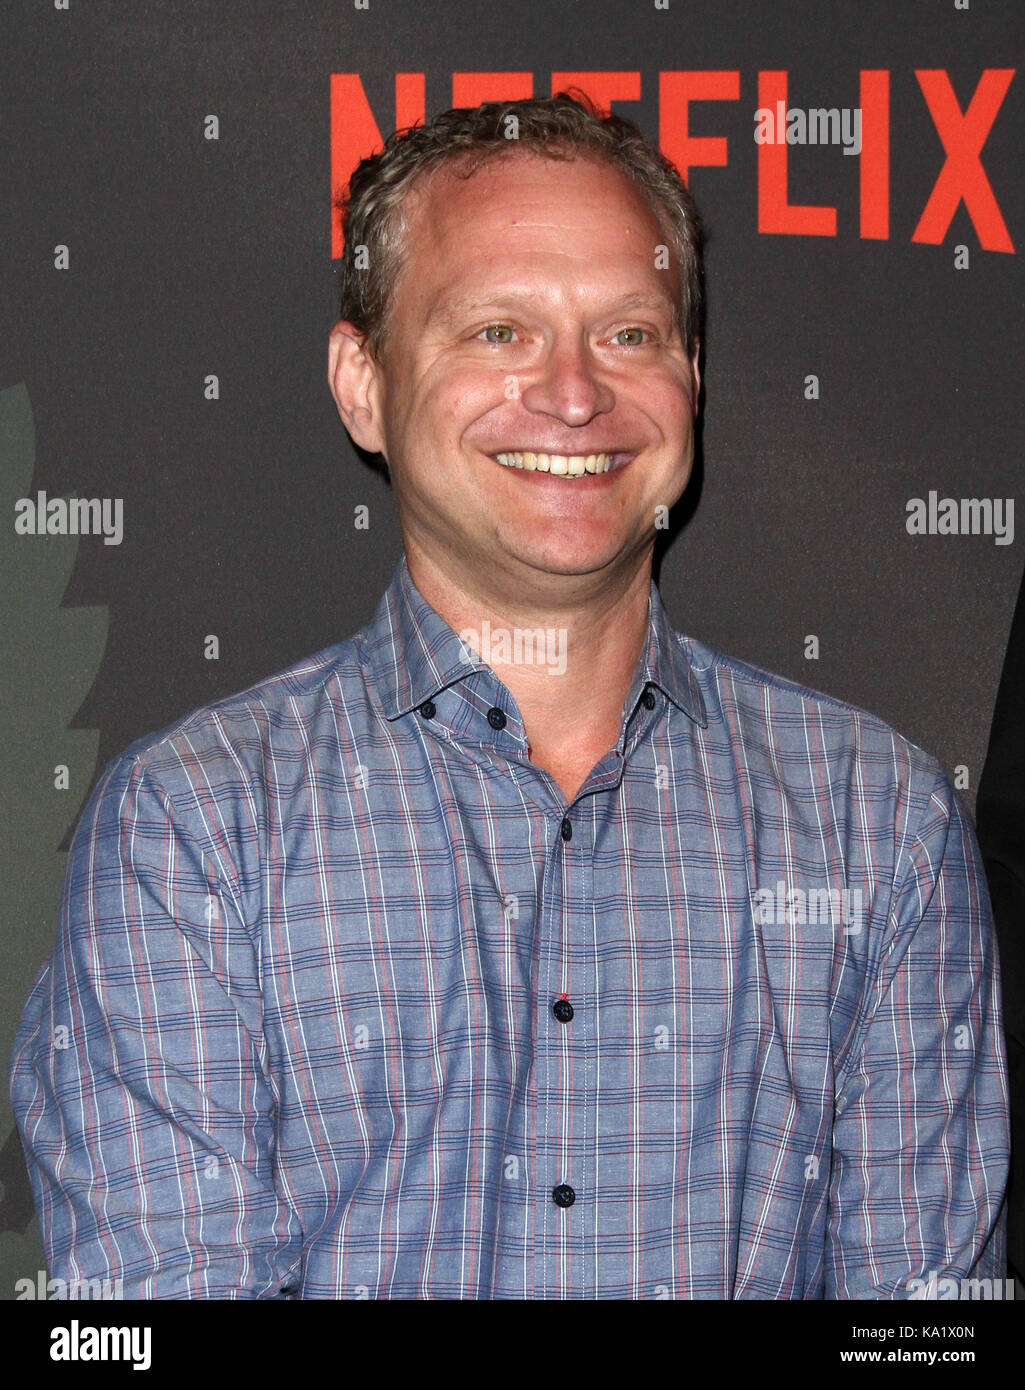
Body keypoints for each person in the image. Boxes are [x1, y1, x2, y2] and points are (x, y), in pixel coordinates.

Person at [9, 93, 1009, 1299]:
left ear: (691, 375)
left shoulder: (876, 820)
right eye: (496, 332)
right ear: (362, 381)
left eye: (629, 334)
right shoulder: (192, 833)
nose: (574, 395)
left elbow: (921, 1319)